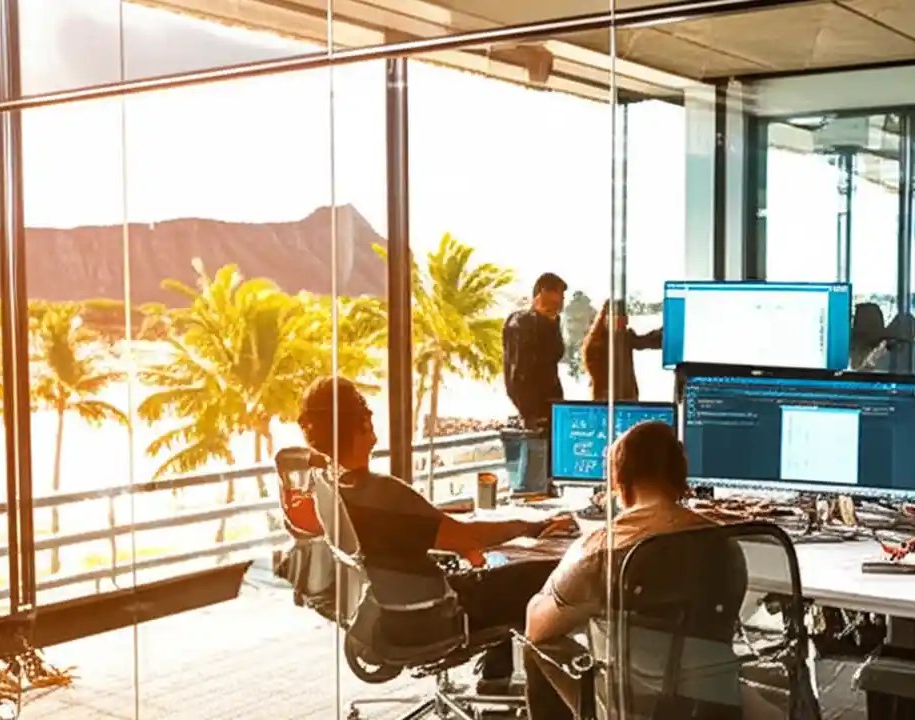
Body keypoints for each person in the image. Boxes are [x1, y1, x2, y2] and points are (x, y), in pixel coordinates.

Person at [296, 377, 574, 693]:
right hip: (437, 613)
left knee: (502, 574)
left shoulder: (333, 486)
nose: (371, 415)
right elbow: (468, 538)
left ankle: (495, 680)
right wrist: (533, 526)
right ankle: (558, 699)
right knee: (556, 574)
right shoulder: (383, 492)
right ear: (358, 421)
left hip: (393, 609)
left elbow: (414, 528)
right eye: (364, 408)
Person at [522, 422, 713, 719]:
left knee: (536, 645)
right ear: (679, 475)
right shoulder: (724, 544)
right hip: (711, 700)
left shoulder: (605, 550)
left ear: (619, 482)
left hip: (634, 706)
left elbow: (537, 627)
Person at [504, 272, 568, 430]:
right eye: (558, 295)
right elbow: (520, 369)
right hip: (534, 413)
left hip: (551, 408)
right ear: (544, 293)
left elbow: (556, 352)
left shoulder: (551, 323)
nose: (561, 301)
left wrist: (550, 320)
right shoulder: (520, 322)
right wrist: (529, 413)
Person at [581, 299, 662, 401]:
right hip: (606, 401)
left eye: (624, 317)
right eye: (618, 317)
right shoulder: (596, 344)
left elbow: (647, 341)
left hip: (627, 399)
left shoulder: (624, 337)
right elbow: (595, 375)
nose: (624, 322)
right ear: (607, 318)